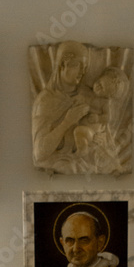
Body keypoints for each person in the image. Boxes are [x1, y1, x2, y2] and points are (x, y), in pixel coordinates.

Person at [31, 42, 92, 173]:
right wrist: (67, 122)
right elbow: (39, 153)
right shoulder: (45, 101)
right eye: (78, 65)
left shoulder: (87, 95)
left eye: (85, 67)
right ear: (62, 65)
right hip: (60, 162)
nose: (82, 72)